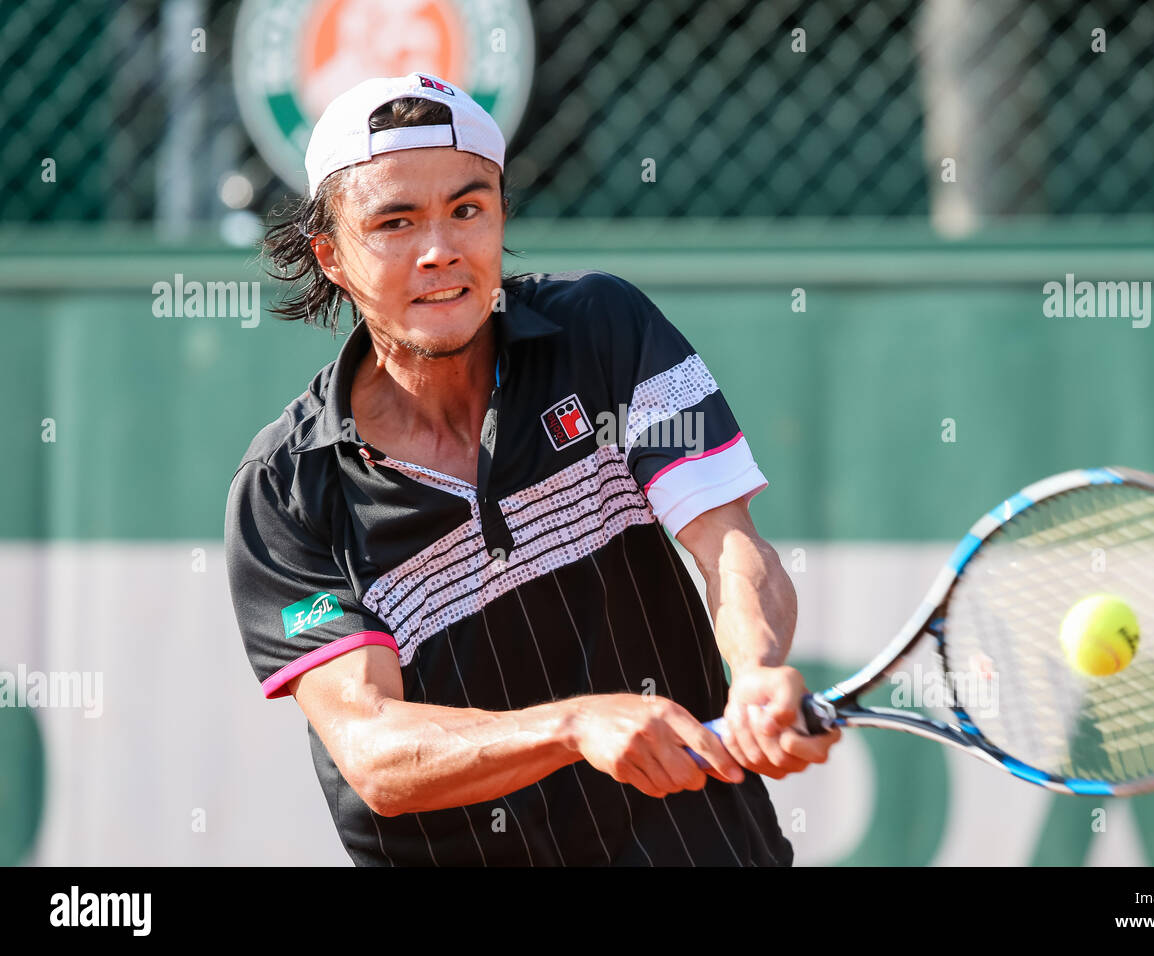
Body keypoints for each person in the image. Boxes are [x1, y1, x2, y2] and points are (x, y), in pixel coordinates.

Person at [224, 72, 839, 866]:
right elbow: (372, 746)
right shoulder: (286, 489)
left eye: (467, 210)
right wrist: (576, 726)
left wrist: (754, 669)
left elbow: (727, 541)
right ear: (332, 257)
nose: (441, 249)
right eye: (395, 222)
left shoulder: (607, 331)